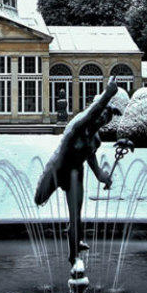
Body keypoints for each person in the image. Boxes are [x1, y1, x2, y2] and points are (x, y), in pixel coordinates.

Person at [34, 80, 124, 262]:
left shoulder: (95, 140)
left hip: (75, 174)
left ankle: (74, 254)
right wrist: (107, 95)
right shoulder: (78, 126)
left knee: (76, 216)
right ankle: (75, 244)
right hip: (57, 169)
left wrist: (101, 175)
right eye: (101, 116)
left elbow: (90, 157)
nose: (102, 121)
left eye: (106, 120)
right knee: (39, 199)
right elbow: (93, 112)